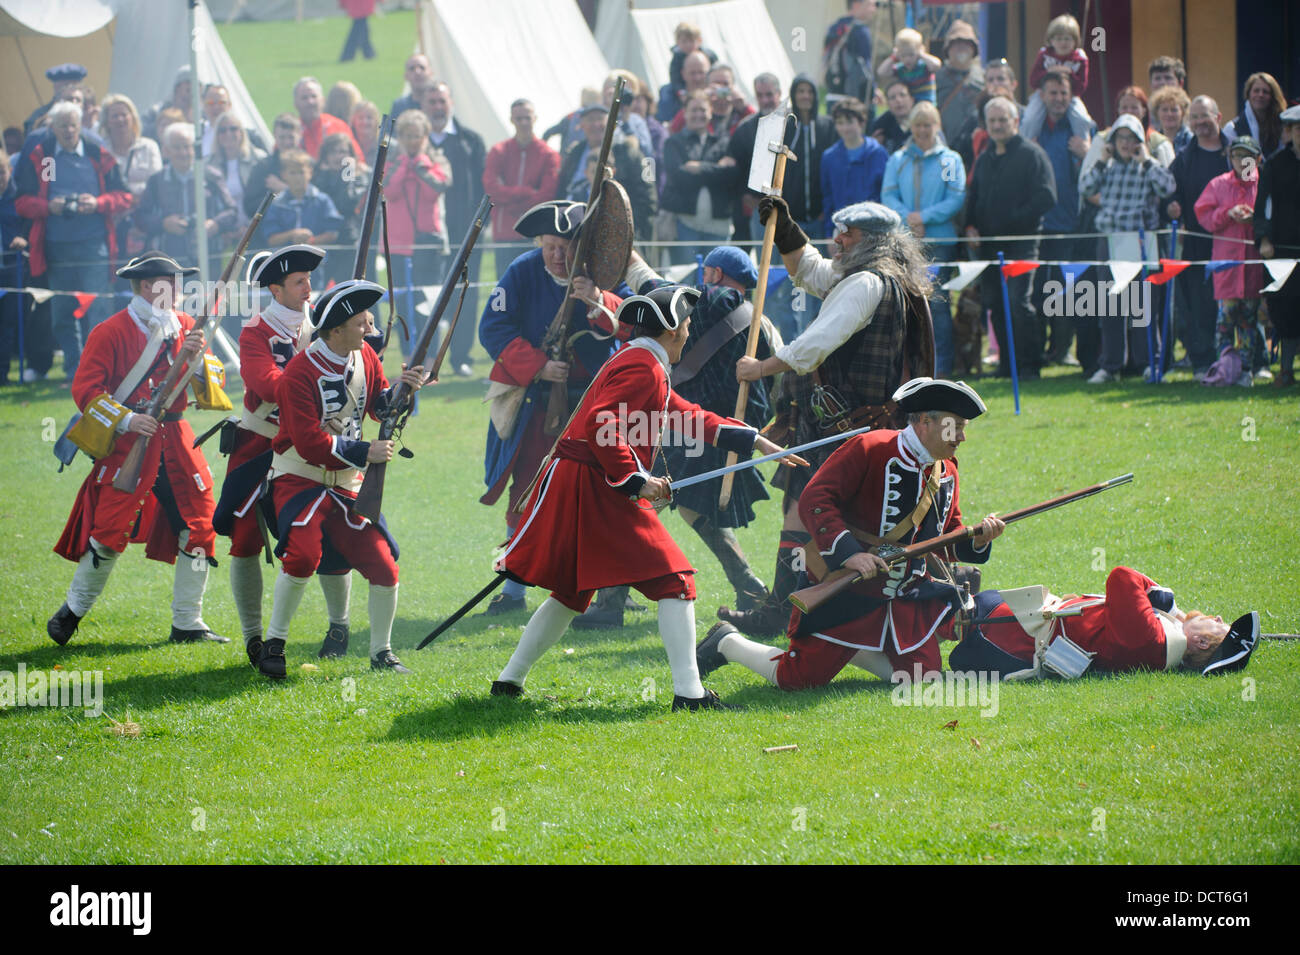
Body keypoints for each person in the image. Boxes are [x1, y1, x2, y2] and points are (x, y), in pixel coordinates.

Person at [491, 284, 792, 711]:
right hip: (595, 485)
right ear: (671, 330)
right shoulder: (644, 366)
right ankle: (689, 694)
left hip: (588, 481)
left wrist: (753, 439)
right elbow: (601, 426)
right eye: (686, 327)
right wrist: (636, 480)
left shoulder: (643, 359)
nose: (688, 335)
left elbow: (680, 412)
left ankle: (508, 681)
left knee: (571, 592)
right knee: (676, 580)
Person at [699, 378, 1004, 692]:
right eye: (957, 427)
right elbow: (815, 500)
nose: (963, 437)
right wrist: (851, 554)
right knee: (796, 678)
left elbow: (945, 537)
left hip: (905, 597)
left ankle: (852, 648)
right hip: (850, 590)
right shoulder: (870, 448)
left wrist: (978, 539)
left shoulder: (947, 470)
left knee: (921, 680)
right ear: (926, 422)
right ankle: (727, 642)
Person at [718, 197, 935, 635]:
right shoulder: (870, 276)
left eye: (847, 234)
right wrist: (785, 227)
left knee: (811, 511)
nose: (838, 239)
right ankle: (787, 610)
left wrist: (761, 367)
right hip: (854, 427)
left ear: (872, 241)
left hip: (850, 430)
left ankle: (795, 613)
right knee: (806, 511)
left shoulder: (867, 283)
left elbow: (816, 343)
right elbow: (812, 271)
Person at [576, 247, 778, 628]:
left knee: (635, 504)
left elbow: (653, 290)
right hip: (722, 424)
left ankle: (610, 602)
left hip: (688, 423)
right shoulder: (760, 321)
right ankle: (749, 587)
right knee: (690, 507)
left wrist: (629, 254)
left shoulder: (696, 302)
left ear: (714, 273)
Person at [47, 251, 229, 647]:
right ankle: (71, 612)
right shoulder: (110, 331)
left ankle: (188, 622)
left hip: (178, 442)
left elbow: (212, 390)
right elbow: (87, 392)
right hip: (128, 443)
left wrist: (198, 360)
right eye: (172, 282)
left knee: (199, 525)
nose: (180, 290)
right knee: (109, 531)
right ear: (148, 287)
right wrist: (128, 420)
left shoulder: (185, 326)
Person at [260, 279, 430, 678]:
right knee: (301, 556)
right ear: (335, 330)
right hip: (299, 479)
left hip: (346, 482)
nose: (369, 328)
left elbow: (379, 407)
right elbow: (307, 443)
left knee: (384, 566)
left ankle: (381, 653)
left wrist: (405, 390)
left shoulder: (365, 356)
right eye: (360, 323)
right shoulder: (298, 374)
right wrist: (363, 452)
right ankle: (274, 644)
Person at [477, 199, 630, 615]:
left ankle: (606, 591)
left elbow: (634, 320)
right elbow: (492, 327)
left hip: (595, 405)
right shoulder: (523, 272)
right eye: (550, 247)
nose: (558, 256)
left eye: (566, 247)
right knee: (527, 488)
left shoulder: (602, 273)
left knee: (601, 491)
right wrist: (540, 367)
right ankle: (513, 590)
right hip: (536, 403)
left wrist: (599, 299)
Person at [214, 245, 354, 667]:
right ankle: (255, 637)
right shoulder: (257, 331)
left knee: (334, 531)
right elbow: (265, 382)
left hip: (314, 443)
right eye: (299, 282)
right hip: (261, 443)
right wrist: (312, 388)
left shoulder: (325, 321)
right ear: (276, 289)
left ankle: (339, 625)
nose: (308, 288)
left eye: (310, 280)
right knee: (244, 540)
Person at [949, 566, 1258, 679]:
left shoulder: (1153, 639)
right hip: (1020, 633)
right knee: (963, 599)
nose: (1218, 617)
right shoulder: (1160, 644)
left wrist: (1169, 604)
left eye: (1223, 626)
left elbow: (1122, 577)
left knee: (947, 610)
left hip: (1009, 634)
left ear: (1202, 643)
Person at [13, 101, 132, 381]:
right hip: (57, 247)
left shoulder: (96, 153)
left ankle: (103, 371)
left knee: (98, 310)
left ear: (81, 127)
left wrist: (99, 202)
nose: (68, 130)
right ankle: (75, 372)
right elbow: (23, 202)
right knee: (63, 313)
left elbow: (124, 196)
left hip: (95, 246)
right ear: (51, 128)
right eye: (62, 125)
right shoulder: (46, 159)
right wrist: (48, 207)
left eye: (72, 125)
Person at [1078, 114, 1176, 384]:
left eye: (1131, 137)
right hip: (1110, 241)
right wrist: (1100, 159)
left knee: (1144, 308)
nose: (1125, 143)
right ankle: (1110, 366)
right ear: (1113, 140)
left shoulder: (1148, 165)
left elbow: (1168, 187)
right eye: (1120, 137)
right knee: (1110, 308)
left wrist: (1146, 159)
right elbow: (1084, 187)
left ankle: (1150, 364)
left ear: (1139, 140)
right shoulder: (1106, 166)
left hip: (1143, 241)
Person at [964, 96, 1056, 380]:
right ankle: (1007, 366)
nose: (998, 125)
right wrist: (970, 226)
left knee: (1018, 301)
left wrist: (1012, 219)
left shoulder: (1032, 154)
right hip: (990, 245)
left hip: (1023, 242)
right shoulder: (984, 158)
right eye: (992, 121)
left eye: (1003, 120)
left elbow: (1047, 197)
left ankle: (1030, 365)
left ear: (1015, 121)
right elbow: (974, 197)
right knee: (995, 303)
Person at [882, 101, 966, 377]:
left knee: (938, 307)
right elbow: (889, 196)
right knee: (906, 308)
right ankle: (910, 370)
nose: (922, 130)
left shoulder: (950, 160)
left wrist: (924, 217)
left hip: (939, 243)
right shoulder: (898, 159)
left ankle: (940, 368)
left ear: (937, 126)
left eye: (928, 124)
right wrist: (909, 217)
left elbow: (956, 197)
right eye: (918, 124)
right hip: (905, 242)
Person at [1029, 69, 1093, 370]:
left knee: (1066, 294)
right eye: (1053, 93)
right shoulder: (1033, 129)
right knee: (1040, 290)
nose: (1058, 99)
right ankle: (1039, 351)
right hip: (1038, 225)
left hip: (1070, 224)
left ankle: (1062, 349)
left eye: (1063, 93)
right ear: (1042, 96)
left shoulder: (1080, 130)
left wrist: (1087, 153)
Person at [423, 82, 487, 377]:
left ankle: (460, 357)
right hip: (427, 238)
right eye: (432, 101)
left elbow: (484, 190)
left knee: (465, 296)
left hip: (465, 235)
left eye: (442, 101)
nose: (437, 107)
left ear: (451, 104)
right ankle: (424, 359)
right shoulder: (416, 142)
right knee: (428, 297)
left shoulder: (470, 141)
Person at [1195, 136, 1268, 386]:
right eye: (1237, 156)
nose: (1241, 161)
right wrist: (1227, 214)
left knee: (1249, 319)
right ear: (1231, 158)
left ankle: (1247, 368)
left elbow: (1271, 216)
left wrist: (1254, 220)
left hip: (1252, 266)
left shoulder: (1263, 184)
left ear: (1257, 159)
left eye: (1247, 156)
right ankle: (1224, 367)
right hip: (1226, 265)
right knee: (1225, 321)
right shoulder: (1218, 184)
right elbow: (1203, 215)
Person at [1167, 95, 1231, 375]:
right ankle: (1203, 361)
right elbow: (1170, 193)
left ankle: (1243, 360)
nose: (1199, 123)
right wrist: (1172, 206)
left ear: (1218, 117)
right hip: (1195, 243)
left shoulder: (1235, 155)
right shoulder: (1182, 159)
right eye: (1194, 118)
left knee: (1238, 304)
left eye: (1204, 116)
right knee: (1199, 305)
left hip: (1234, 243)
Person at [384, 110, 452, 355]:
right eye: (407, 136)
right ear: (400, 138)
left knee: (428, 302)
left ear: (426, 137)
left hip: (427, 243)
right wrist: (404, 166)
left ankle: (430, 355)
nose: (412, 141)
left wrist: (421, 166)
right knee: (403, 303)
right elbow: (389, 191)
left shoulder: (437, 161)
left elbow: (436, 189)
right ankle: (406, 354)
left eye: (417, 136)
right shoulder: (391, 163)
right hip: (398, 245)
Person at [135, 123, 236, 271]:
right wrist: (163, 224)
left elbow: (232, 211)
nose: (183, 153)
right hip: (169, 260)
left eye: (187, 147)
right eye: (177, 147)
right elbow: (141, 217)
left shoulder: (211, 176)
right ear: (167, 151)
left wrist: (214, 224)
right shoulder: (156, 181)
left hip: (207, 257)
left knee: (209, 294)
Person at [482, 98, 561, 279]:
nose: (524, 123)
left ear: (535, 118)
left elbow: (546, 195)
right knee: (505, 285)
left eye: (527, 118)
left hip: (533, 233)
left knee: (533, 285)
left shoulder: (548, 154)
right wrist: (525, 192)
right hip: (505, 233)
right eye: (519, 119)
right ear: (512, 120)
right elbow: (491, 189)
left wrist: (509, 201)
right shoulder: (499, 151)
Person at [555, 104, 655, 242]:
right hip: (580, 231)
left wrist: (629, 223)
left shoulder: (629, 151)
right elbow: (562, 188)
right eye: (590, 119)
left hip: (623, 231)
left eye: (600, 119)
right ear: (581, 125)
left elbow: (649, 186)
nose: (596, 124)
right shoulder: (574, 153)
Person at [661, 92, 734, 265]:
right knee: (684, 282)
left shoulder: (723, 142)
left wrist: (699, 167)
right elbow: (679, 178)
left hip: (718, 226)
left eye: (703, 110)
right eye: (693, 110)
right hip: (686, 225)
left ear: (710, 112)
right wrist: (716, 169)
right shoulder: (673, 143)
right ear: (684, 113)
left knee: (717, 281)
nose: (698, 115)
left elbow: (731, 175)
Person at [1255, 106, 1300, 387]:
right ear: (1290, 132)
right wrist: (1264, 239)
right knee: (1285, 309)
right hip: (1282, 251)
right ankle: (1286, 370)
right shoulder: (1274, 164)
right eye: (1297, 129)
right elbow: (1263, 207)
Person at [1020, 14, 1094, 142]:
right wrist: (1049, 72)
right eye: (1059, 39)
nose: (1063, 43)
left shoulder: (1080, 59)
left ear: (1075, 41)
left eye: (1067, 39)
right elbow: (1033, 81)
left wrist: (1069, 74)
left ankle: (1082, 145)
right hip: (1043, 94)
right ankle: (1027, 144)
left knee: (1083, 119)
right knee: (1029, 119)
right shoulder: (1044, 54)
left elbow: (1081, 87)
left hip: (1071, 96)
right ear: (1051, 40)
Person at [820, 98, 889, 235]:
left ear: (862, 123)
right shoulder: (829, 157)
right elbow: (827, 199)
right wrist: (829, 233)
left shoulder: (878, 153)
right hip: (841, 230)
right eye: (840, 123)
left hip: (872, 230)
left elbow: (885, 194)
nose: (845, 128)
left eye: (850, 122)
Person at [313, 133, 371, 285]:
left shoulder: (359, 177)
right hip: (322, 239)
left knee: (347, 287)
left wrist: (347, 173)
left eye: (342, 152)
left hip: (347, 240)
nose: (338, 156)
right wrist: (327, 175)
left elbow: (347, 202)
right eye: (333, 152)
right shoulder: (319, 176)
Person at [261, 150, 344, 253]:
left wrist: (310, 242)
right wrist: (293, 234)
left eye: (301, 172)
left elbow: (332, 233)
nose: (298, 178)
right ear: (283, 175)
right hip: (285, 262)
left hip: (316, 261)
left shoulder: (322, 200)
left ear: (310, 173)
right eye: (293, 173)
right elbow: (271, 239)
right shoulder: (277, 204)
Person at [205, 110, 268, 236]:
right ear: (216, 135)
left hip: (255, 230)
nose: (228, 134)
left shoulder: (259, 159)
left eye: (233, 129)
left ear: (242, 132)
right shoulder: (208, 166)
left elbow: (264, 199)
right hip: (222, 232)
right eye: (222, 130)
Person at [934, 19, 984, 170]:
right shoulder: (936, 77)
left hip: (975, 149)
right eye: (956, 43)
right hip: (946, 147)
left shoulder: (983, 77)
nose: (961, 47)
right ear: (948, 49)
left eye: (966, 43)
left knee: (973, 189)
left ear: (974, 49)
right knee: (949, 188)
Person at [0, 152, 29, 385]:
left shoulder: (19, 198)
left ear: (9, 171)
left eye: (1, 171)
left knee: (8, 323)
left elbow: (30, 226)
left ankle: (3, 375)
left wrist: (23, 238)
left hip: (11, 267)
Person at [243, 113, 303, 219]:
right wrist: (273, 199)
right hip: (273, 230)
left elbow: (318, 202)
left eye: (291, 137)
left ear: (300, 135)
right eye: (282, 137)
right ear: (274, 136)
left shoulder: (309, 166)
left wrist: (285, 190)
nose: (287, 142)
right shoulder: (263, 168)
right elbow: (250, 206)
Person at [823, 0, 877, 106]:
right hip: (856, 96)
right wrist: (873, 89)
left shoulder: (833, 28)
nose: (874, 9)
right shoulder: (861, 31)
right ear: (856, 4)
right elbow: (866, 65)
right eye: (870, 5)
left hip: (833, 91)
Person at [295, 77, 362, 160]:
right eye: (304, 98)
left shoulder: (338, 126)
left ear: (323, 100)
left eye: (314, 96)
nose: (310, 102)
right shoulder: (290, 129)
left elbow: (358, 159)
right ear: (295, 103)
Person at [1224, 72, 1287, 158]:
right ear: (1248, 94)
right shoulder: (1233, 128)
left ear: (1273, 96)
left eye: (1265, 92)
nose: (1260, 95)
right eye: (1256, 91)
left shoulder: (1283, 126)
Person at [876, 27, 940, 104]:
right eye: (903, 56)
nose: (907, 59)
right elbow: (881, 72)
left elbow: (936, 65)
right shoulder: (900, 69)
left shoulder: (924, 66)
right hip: (909, 107)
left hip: (927, 105)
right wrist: (893, 57)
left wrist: (922, 54)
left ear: (919, 51)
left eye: (911, 55)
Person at [24, 63, 87, 136]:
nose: (74, 101)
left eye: (75, 87)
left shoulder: (89, 114)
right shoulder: (39, 116)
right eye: (65, 87)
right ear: (56, 88)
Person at [869, 79, 916, 155]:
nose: (898, 100)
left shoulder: (924, 123)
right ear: (888, 104)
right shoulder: (880, 127)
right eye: (892, 97)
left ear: (912, 100)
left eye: (902, 95)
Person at [1150, 85, 1193, 156]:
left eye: (1174, 110)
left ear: (1183, 112)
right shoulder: (1152, 140)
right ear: (1157, 112)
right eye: (1164, 110)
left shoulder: (1190, 140)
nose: (1169, 114)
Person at [391, 54, 433, 118]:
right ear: (406, 76)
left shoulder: (440, 104)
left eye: (422, 67)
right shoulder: (400, 106)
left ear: (431, 72)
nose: (417, 72)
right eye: (412, 69)